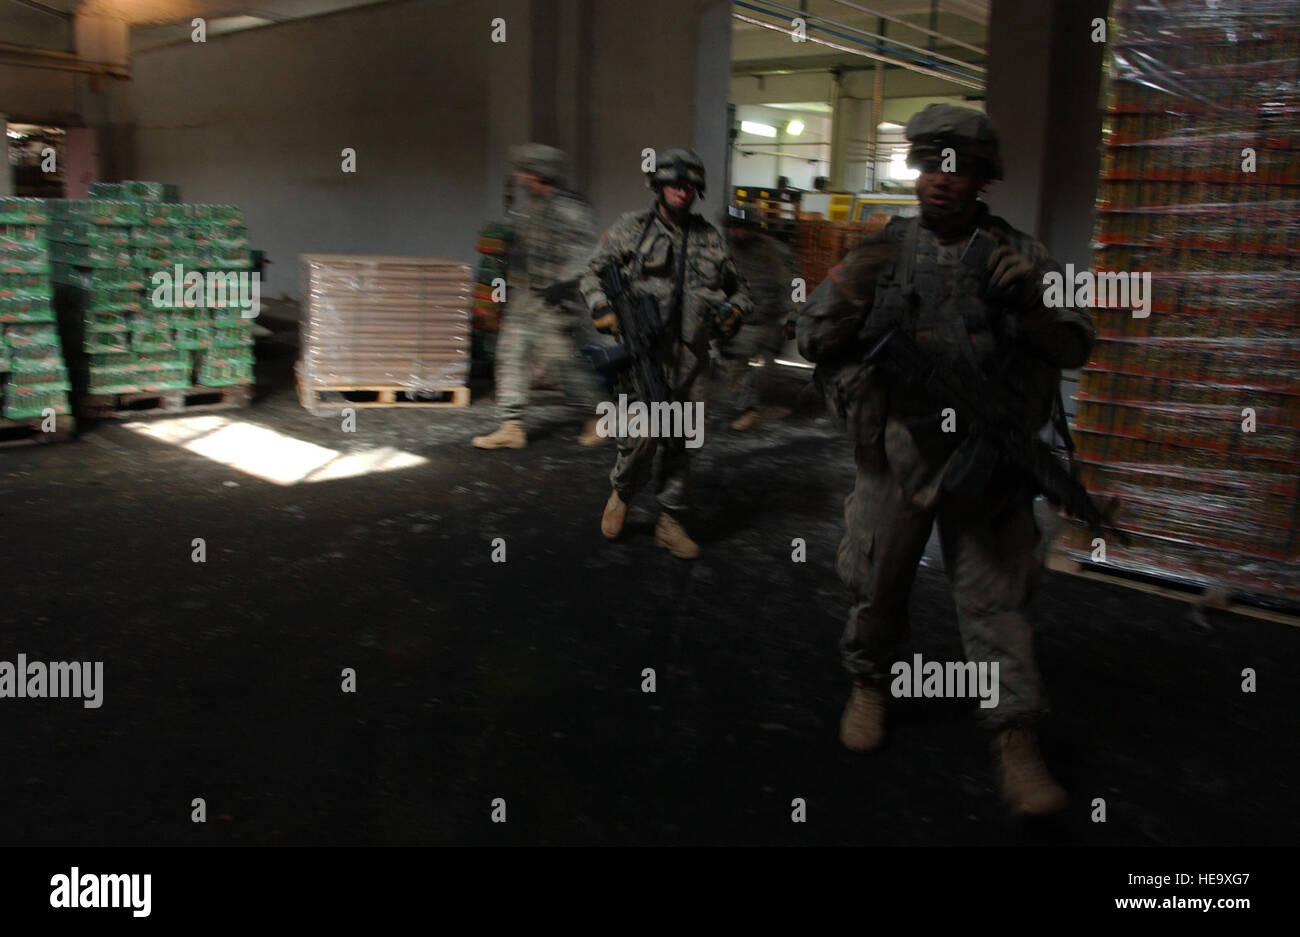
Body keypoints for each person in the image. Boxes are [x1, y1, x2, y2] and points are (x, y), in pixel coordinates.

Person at [796, 104, 1096, 816]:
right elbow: (810, 336)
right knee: (875, 582)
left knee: (998, 602)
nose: (941, 178)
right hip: (896, 455)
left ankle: (1014, 735)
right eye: (930, 163)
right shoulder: (880, 252)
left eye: (956, 166)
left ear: (980, 178)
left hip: (985, 466)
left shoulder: (1021, 255)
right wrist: (850, 316)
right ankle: (870, 684)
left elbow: (1078, 343)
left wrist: (1035, 306)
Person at [579, 148, 752, 559]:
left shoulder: (710, 239)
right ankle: (622, 493)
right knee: (641, 437)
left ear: (698, 190)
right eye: (674, 183)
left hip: (691, 361)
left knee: (683, 442)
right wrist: (601, 307)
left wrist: (735, 311)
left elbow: (740, 289)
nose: (682, 191)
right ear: (659, 186)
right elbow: (592, 271)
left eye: (689, 185)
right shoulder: (631, 229)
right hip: (643, 354)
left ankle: (670, 522)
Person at [473, 143, 607, 450]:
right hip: (528, 297)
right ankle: (511, 425)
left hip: (558, 299)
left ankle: (599, 416)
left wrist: (562, 282)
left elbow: (588, 252)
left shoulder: (571, 209)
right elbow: (522, 243)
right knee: (510, 352)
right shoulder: (529, 205)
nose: (520, 177)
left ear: (541, 174)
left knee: (568, 363)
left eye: (525, 172)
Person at [721, 204, 797, 431]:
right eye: (733, 227)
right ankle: (749, 410)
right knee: (733, 360)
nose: (738, 233)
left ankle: (774, 404)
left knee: (769, 368)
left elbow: (796, 284)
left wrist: (793, 316)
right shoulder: (723, 251)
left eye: (743, 228)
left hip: (772, 319)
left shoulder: (776, 251)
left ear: (754, 228)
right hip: (741, 320)